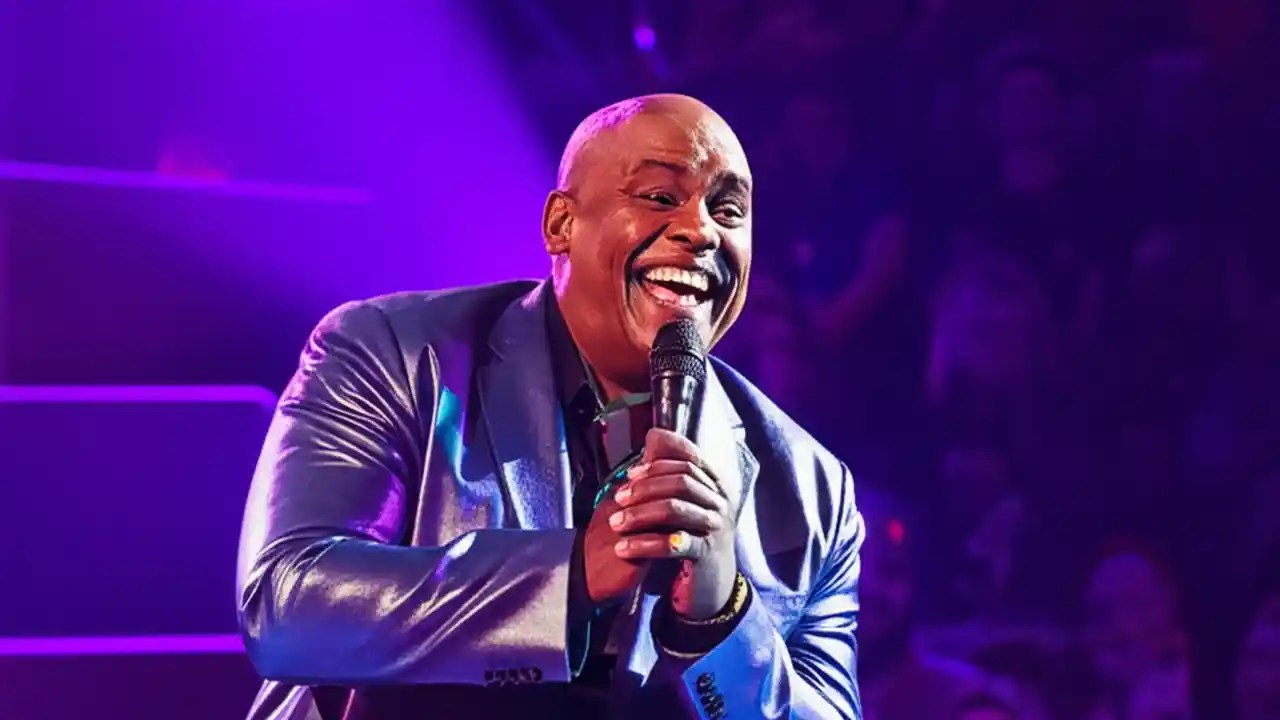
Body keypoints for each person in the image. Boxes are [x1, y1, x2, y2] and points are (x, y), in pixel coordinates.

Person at [236, 94, 864, 719]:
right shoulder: (394, 355)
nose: (701, 230)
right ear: (560, 224)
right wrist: (568, 577)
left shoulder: (811, 488)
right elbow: (287, 607)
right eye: (659, 197)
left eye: (728, 209)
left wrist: (721, 619)